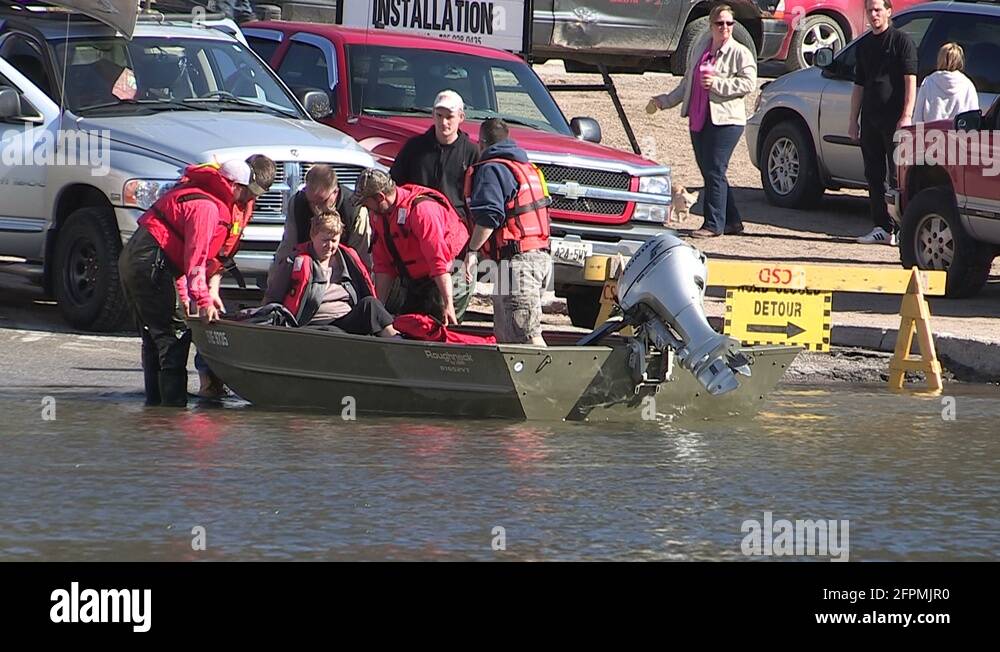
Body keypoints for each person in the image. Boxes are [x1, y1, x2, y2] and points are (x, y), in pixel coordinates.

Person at [118, 160, 261, 408]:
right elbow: (195, 261)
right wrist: (203, 301)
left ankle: (155, 413)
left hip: (134, 261)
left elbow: (178, 254)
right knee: (175, 337)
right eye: (246, 191)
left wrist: (184, 295)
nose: (247, 198)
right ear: (234, 186)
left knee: (155, 338)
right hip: (150, 265)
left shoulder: (198, 195)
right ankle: (173, 411)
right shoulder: (207, 208)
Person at [649, 3, 756, 238]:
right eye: (720, 23)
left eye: (729, 23)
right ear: (711, 25)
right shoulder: (700, 47)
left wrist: (718, 84)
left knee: (715, 169)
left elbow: (749, 84)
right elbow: (688, 81)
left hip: (727, 120)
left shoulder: (740, 52)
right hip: (700, 117)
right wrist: (665, 101)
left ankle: (713, 225)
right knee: (711, 170)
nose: (725, 28)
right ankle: (733, 222)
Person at [464, 118, 552, 346]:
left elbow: (489, 217)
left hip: (519, 263)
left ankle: (550, 380)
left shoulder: (492, 169)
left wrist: (472, 251)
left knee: (526, 333)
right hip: (533, 258)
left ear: (481, 143)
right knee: (506, 334)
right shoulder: (524, 166)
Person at [195, 154, 276, 398]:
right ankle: (202, 386)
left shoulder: (245, 203)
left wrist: (213, 288)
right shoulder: (219, 199)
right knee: (187, 328)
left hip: (209, 272)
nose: (251, 198)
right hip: (188, 269)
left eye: (257, 195)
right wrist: (203, 295)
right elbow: (197, 252)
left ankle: (213, 384)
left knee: (214, 323)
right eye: (250, 191)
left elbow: (224, 251)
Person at [353, 168, 472, 325]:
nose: (365, 208)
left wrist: (448, 304)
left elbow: (438, 261)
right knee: (410, 327)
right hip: (418, 279)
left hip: (450, 275)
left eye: (366, 203)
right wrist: (377, 308)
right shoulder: (379, 216)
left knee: (440, 330)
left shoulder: (421, 211)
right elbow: (383, 267)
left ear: (380, 197)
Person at [264, 211, 399, 337]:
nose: (329, 246)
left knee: (371, 305)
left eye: (334, 240)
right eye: (324, 240)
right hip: (312, 324)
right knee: (334, 333)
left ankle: (398, 344)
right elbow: (273, 296)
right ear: (313, 236)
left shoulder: (347, 259)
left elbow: (363, 290)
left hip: (345, 318)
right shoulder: (294, 262)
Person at [849, 0, 917, 246]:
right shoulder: (865, 45)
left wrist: (906, 114)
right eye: (870, 10)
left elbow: (911, 80)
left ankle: (901, 228)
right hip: (870, 119)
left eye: (878, 10)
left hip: (895, 120)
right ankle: (882, 226)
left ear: (889, 11)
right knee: (873, 174)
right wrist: (852, 120)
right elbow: (859, 85)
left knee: (897, 176)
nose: (874, 14)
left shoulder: (901, 42)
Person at [270, 164, 373, 277]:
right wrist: (274, 285)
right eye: (311, 202)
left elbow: (360, 258)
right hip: (305, 270)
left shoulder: (355, 210)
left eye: (321, 202)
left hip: (344, 275)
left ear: (335, 192)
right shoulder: (297, 204)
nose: (316, 208)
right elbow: (287, 248)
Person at [389, 90, 480, 214]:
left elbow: (479, 196)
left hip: (455, 225)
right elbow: (395, 184)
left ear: (461, 117)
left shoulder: (472, 152)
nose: (443, 122)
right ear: (433, 114)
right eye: (439, 115)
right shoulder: (414, 147)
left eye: (449, 117)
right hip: (416, 220)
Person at [914, 43, 978, 123]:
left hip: (931, 134)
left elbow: (918, 117)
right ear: (960, 61)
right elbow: (973, 119)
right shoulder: (967, 85)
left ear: (940, 59)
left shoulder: (928, 82)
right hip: (958, 134)